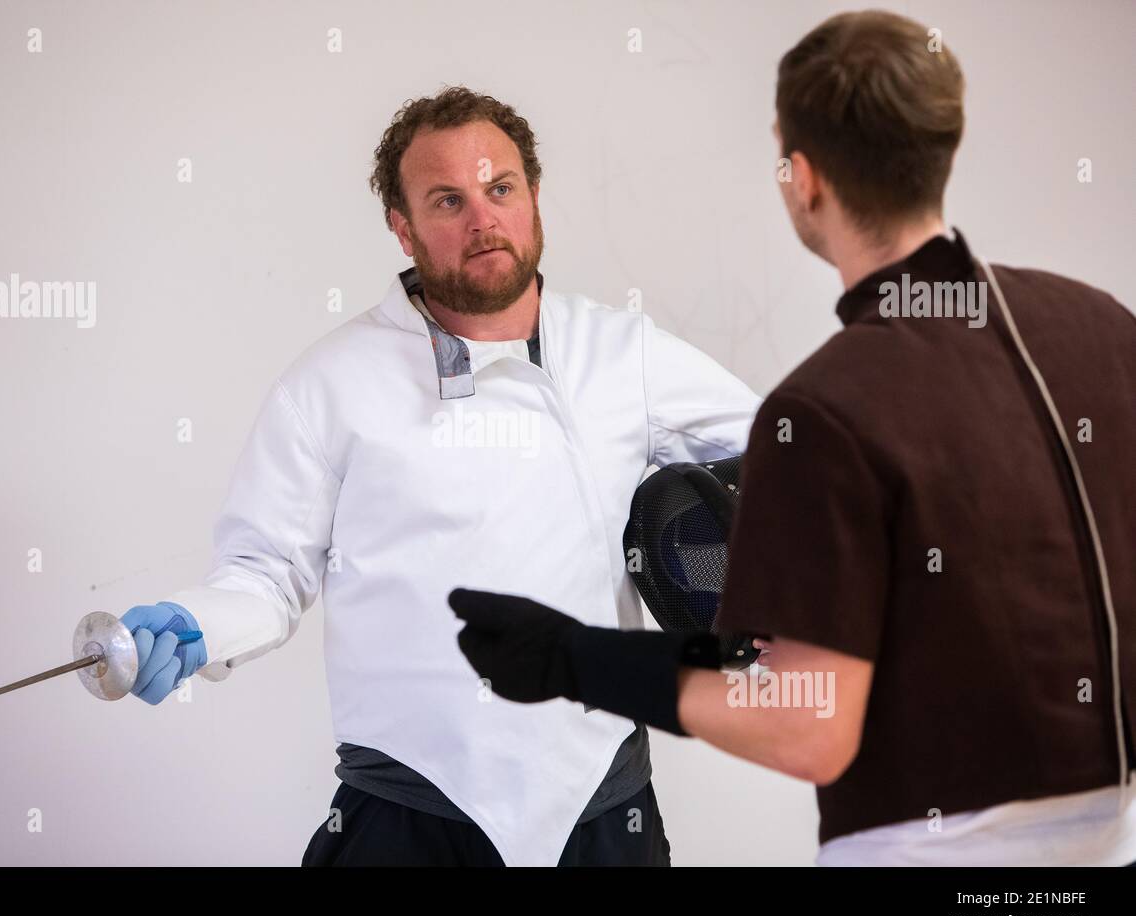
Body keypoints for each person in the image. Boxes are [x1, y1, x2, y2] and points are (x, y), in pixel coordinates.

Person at [450, 10, 1136, 865]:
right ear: (940, 150)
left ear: (803, 179)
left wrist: (573, 658)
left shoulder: (824, 409)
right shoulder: (1104, 329)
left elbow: (803, 722)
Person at [114, 86, 758, 866]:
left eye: (501, 189)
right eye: (448, 200)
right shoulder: (331, 382)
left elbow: (795, 454)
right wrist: (195, 624)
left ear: (533, 196)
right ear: (403, 227)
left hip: (601, 810)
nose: (483, 219)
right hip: (404, 814)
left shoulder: (626, 355)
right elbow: (265, 573)